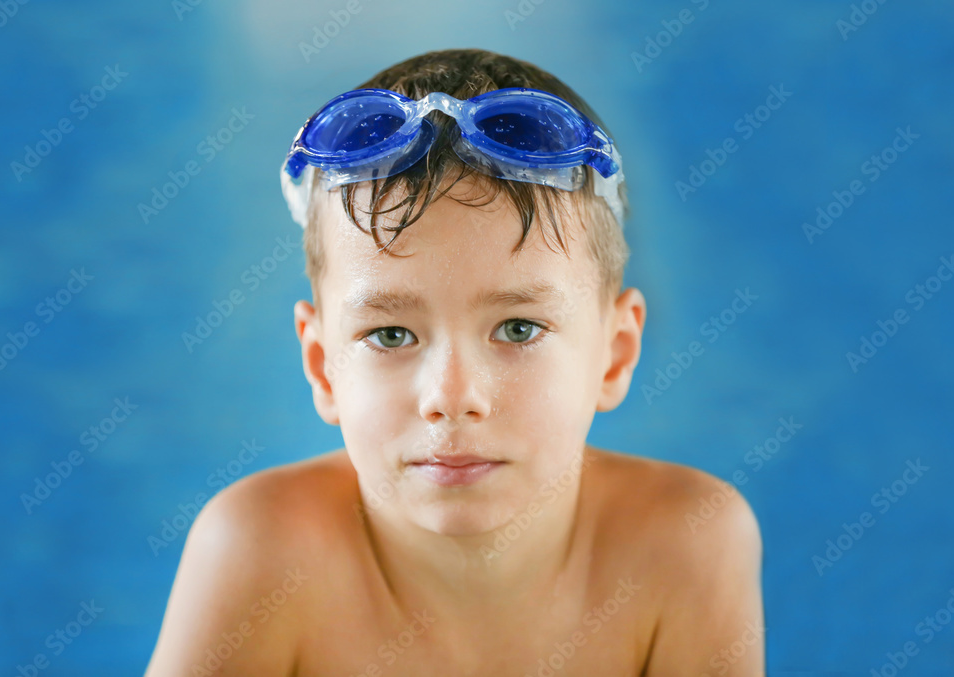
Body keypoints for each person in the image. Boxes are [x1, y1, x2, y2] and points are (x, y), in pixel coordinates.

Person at [145, 48, 765, 676]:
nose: (452, 395)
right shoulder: (260, 552)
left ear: (614, 354)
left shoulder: (686, 544)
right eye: (390, 334)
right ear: (322, 365)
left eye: (518, 328)